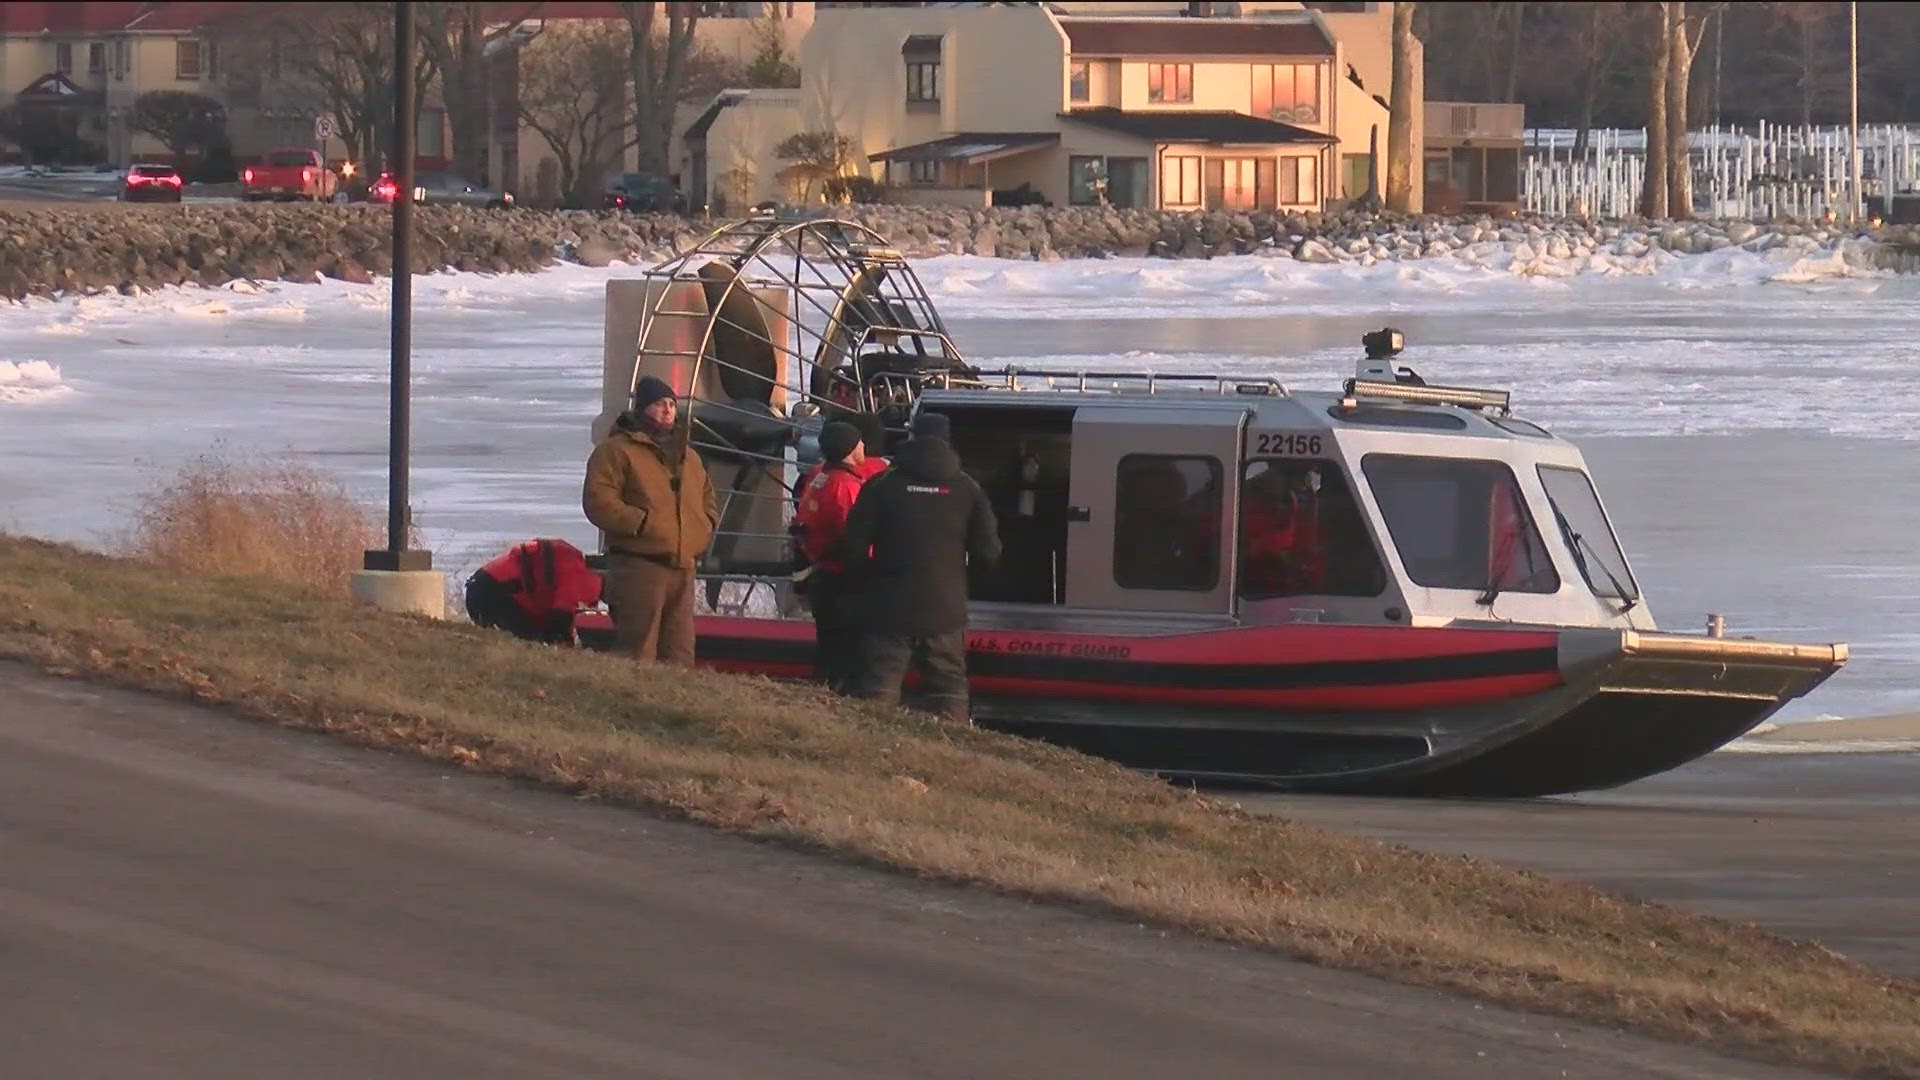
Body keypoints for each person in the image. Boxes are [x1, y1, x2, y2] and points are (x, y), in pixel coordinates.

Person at [836, 412, 999, 721]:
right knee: (948, 689)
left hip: (889, 605)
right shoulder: (967, 488)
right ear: (947, 439)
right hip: (945, 606)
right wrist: (961, 584)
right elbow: (989, 551)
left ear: (911, 436)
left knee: (878, 691)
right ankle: (952, 754)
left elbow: (853, 545)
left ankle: (868, 757)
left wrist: (871, 581)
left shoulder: (881, 484)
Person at [582, 376, 718, 665]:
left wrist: (703, 529)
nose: (668, 410)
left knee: (680, 653)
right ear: (642, 408)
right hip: (638, 564)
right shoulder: (616, 451)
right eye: (659, 404)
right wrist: (641, 524)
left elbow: (708, 499)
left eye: (671, 404)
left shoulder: (689, 457)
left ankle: (673, 706)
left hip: (683, 566)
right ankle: (628, 706)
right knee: (637, 648)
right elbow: (599, 501)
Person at [791, 419, 888, 690]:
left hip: (823, 574)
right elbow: (855, 533)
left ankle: (826, 691)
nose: (864, 446)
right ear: (848, 448)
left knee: (830, 649)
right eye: (859, 442)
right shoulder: (845, 485)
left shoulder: (821, 477)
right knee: (847, 653)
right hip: (842, 579)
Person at [465, 538, 603, 644]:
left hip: (480, 587)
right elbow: (559, 619)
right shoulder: (586, 579)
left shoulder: (576, 563)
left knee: (537, 637)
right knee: (535, 644)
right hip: (491, 594)